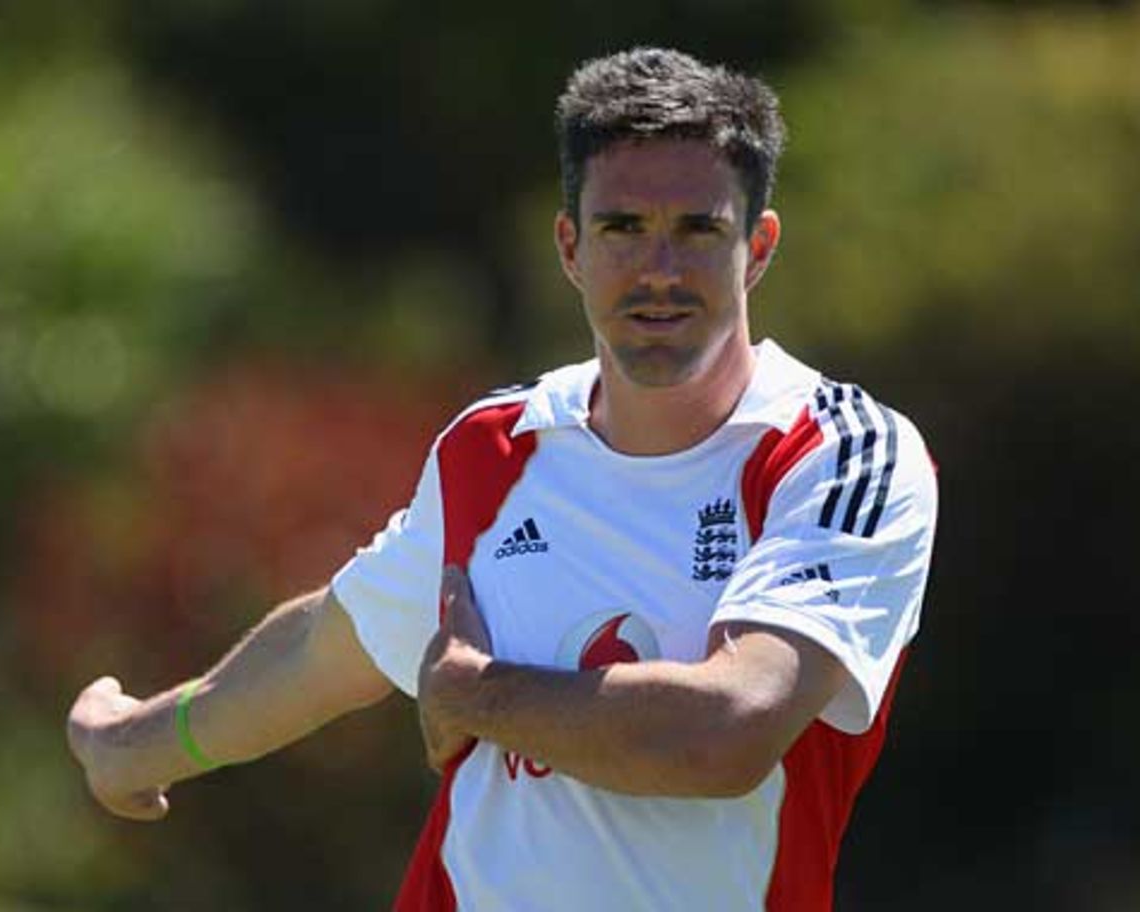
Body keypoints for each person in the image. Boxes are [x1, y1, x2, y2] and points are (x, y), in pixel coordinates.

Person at [67, 47, 938, 911]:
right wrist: (134, 745)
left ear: (758, 247)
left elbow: (727, 733)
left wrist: (479, 696)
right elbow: (326, 651)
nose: (659, 271)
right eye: (622, 228)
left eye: (698, 230)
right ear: (570, 247)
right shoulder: (496, 447)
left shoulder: (840, 455)